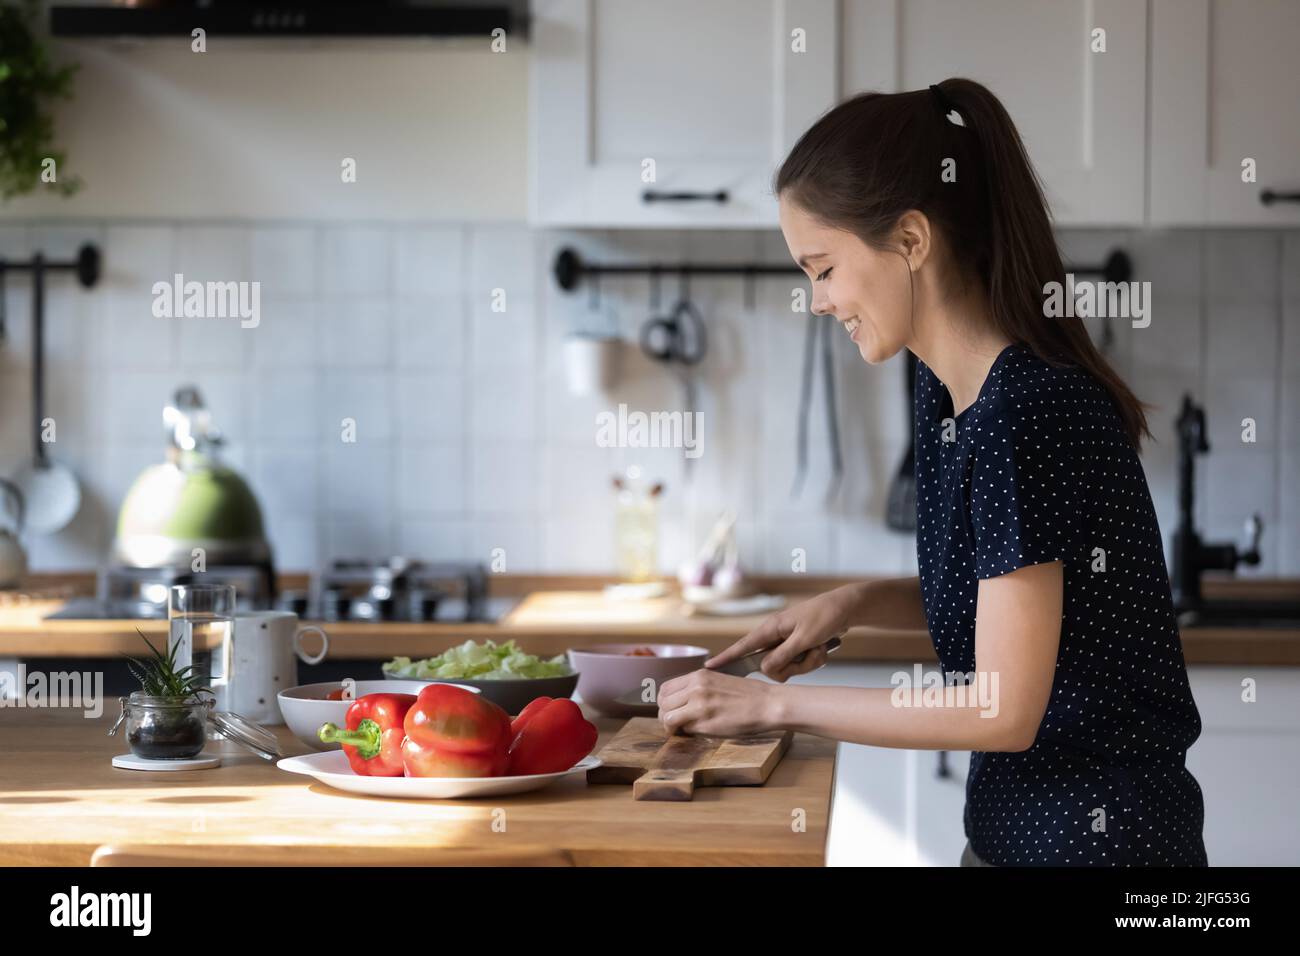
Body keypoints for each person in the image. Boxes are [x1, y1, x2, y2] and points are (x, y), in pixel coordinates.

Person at [656, 78, 1208, 867]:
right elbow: (1010, 604)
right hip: (1009, 839)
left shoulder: (1028, 413)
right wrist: (853, 603)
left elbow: (999, 709)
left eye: (823, 268)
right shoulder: (946, 392)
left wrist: (774, 704)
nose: (815, 301)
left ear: (911, 240)